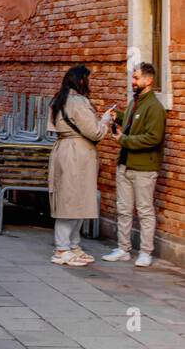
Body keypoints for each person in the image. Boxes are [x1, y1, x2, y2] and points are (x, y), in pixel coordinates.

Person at [102, 62, 166, 268]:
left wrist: (123, 140)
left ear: (149, 80)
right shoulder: (135, 102)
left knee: (145, 211)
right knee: (123, 210)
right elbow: (133, 123)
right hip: (125, 165)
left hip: (144, 169)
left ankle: (146, 252)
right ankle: (123, 249)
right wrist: (119, 116)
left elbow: (153, 138)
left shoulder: (155, 107)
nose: (133, 81)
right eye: (133, 77)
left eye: (136, 78)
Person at [47, 65, 112, 267]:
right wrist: (105, 120)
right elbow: (95, 132)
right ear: (81, 80)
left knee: (75, 199)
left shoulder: (58, 99)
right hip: (76, 154)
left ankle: (72, 245)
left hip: (64, 150)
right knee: (70, 201)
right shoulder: (78, 102)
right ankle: (62, 249)